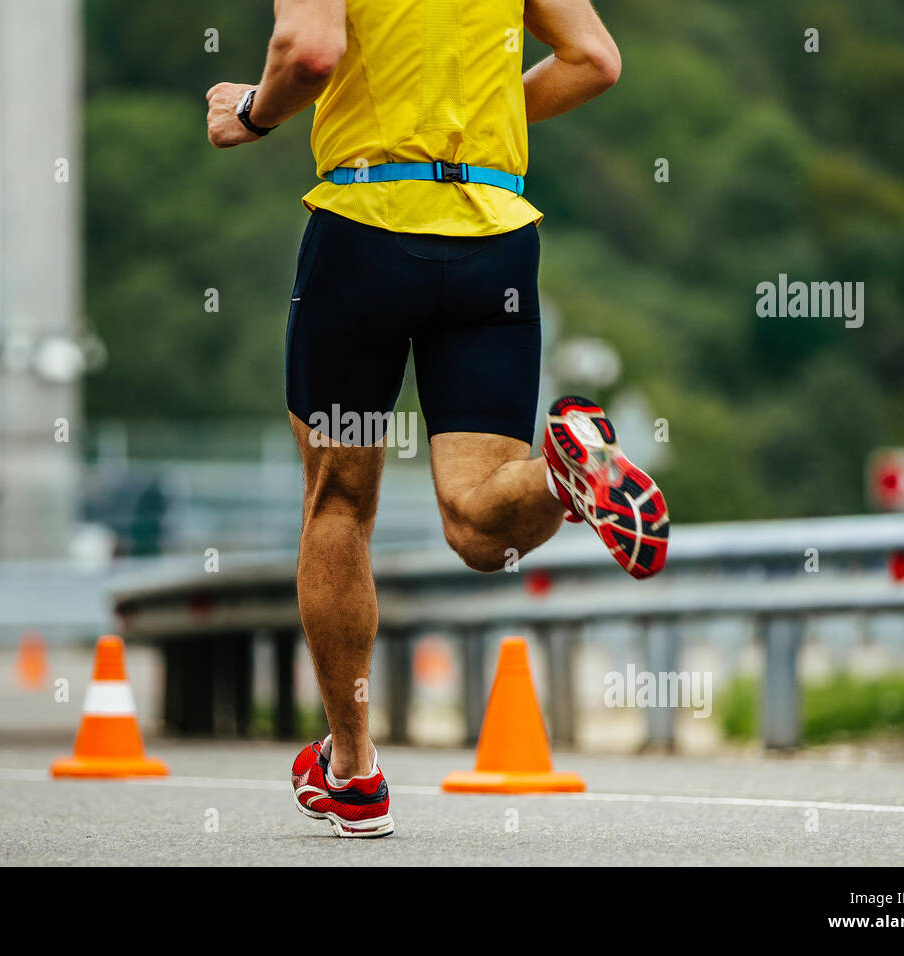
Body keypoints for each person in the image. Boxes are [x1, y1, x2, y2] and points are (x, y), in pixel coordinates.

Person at [206, 0, 667, 838]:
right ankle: (565, 470)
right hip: (495, 239)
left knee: (340, 504)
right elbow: (595, 60)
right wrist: (487, 108)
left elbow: (309, 53)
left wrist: (251, 112)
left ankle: (352, 768)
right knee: (480, 522)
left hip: (365, 234)